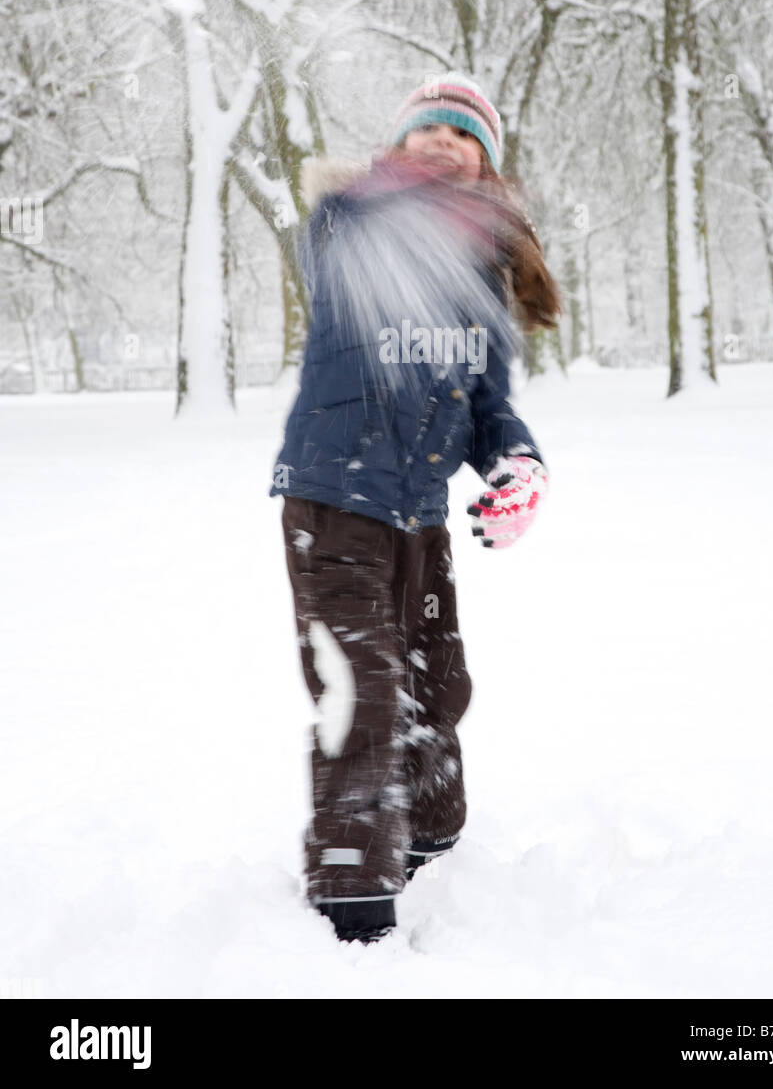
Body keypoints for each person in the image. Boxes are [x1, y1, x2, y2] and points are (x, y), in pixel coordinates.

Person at [270, 72, 562, 944]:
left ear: (486, 162)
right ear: (395, 151)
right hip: (334, 502)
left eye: (465, 135)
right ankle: (354, 901)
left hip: (419, 513)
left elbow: (486, 406)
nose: (444, 140)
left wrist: (518, 463)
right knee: (363, 688)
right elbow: (332, 233)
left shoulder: (480, 275)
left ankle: (435, 849)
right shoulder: (350, 226)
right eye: (427, 129)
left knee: (439, 683)